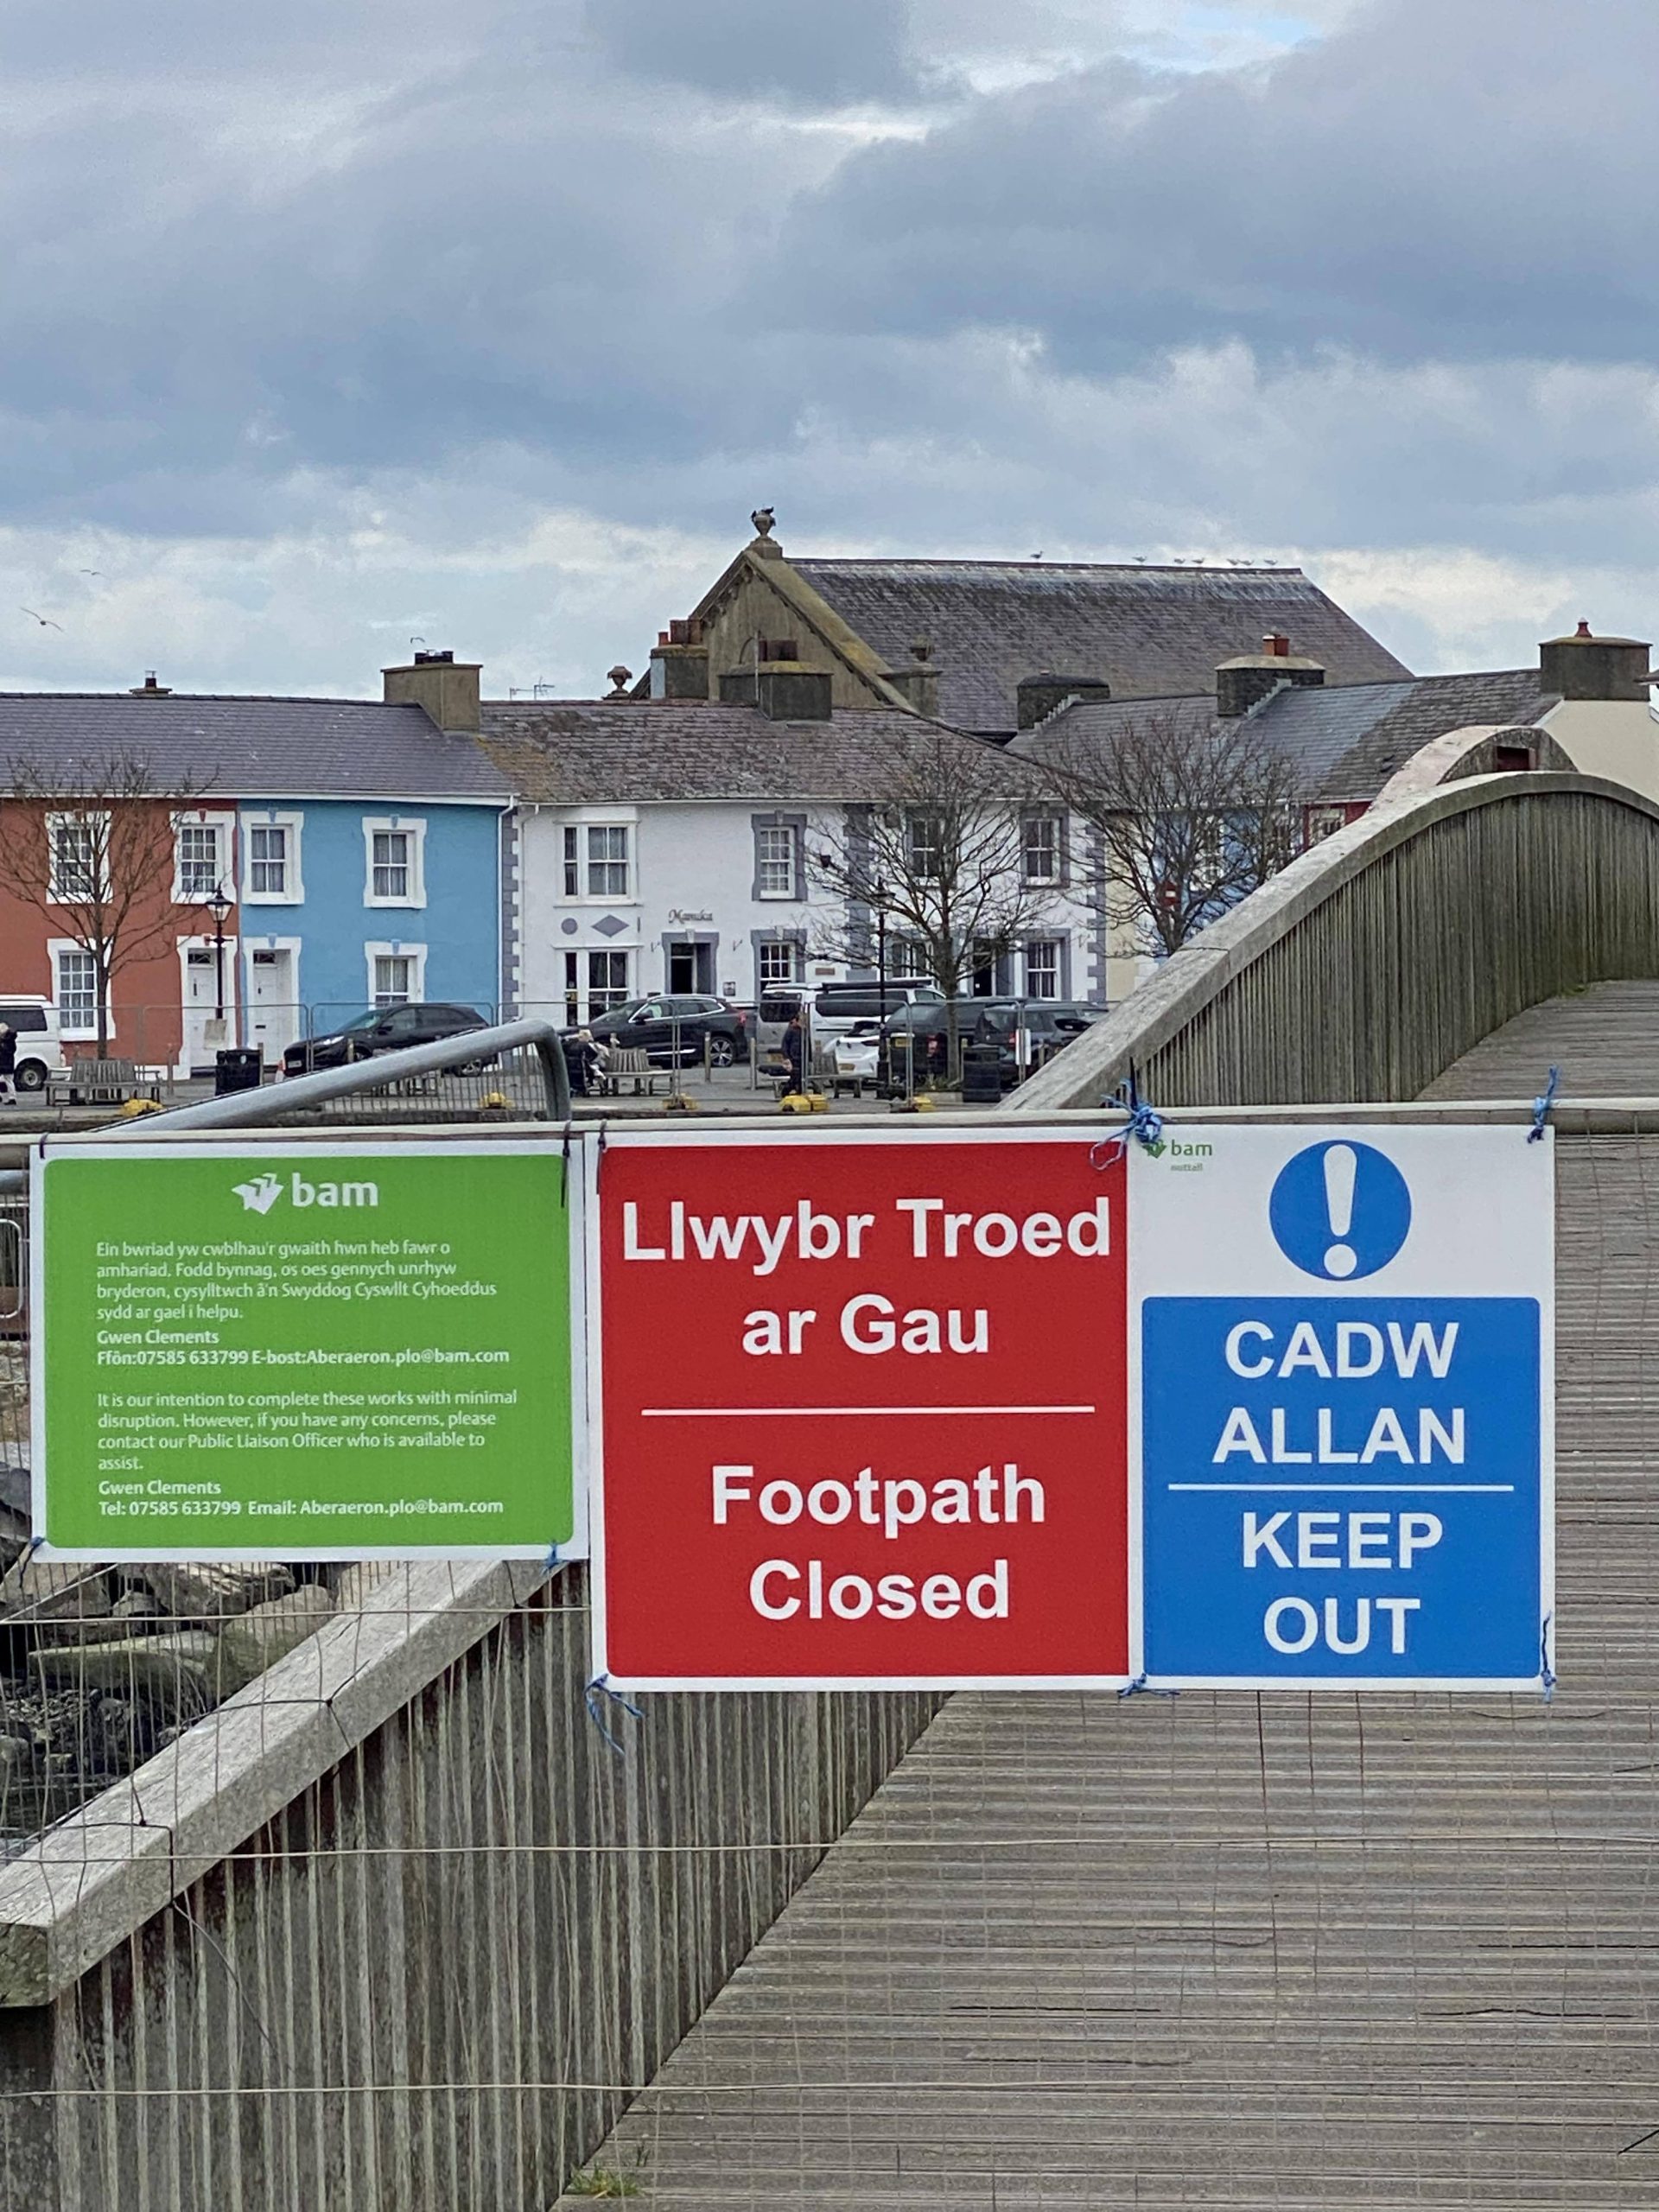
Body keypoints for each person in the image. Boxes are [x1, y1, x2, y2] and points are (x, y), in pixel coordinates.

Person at [782, 1012, 806, 1096]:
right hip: (794, 1058)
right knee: (795, 1077)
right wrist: (786, 1056)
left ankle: (798, 1092)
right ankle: (785, 1092)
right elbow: (785, 1044)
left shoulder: (804, 1032)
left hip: (802, 1058)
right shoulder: (791, 1031)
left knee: (800, 1078)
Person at [0, 1025, 18, 1107]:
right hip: (8, 1062)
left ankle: (12, 1097)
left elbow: (5, 1051)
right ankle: (12, 1097)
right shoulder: (11, 1040)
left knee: (8, 1080)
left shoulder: (5, 1041)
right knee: (9, 1080)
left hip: (4, 1062)